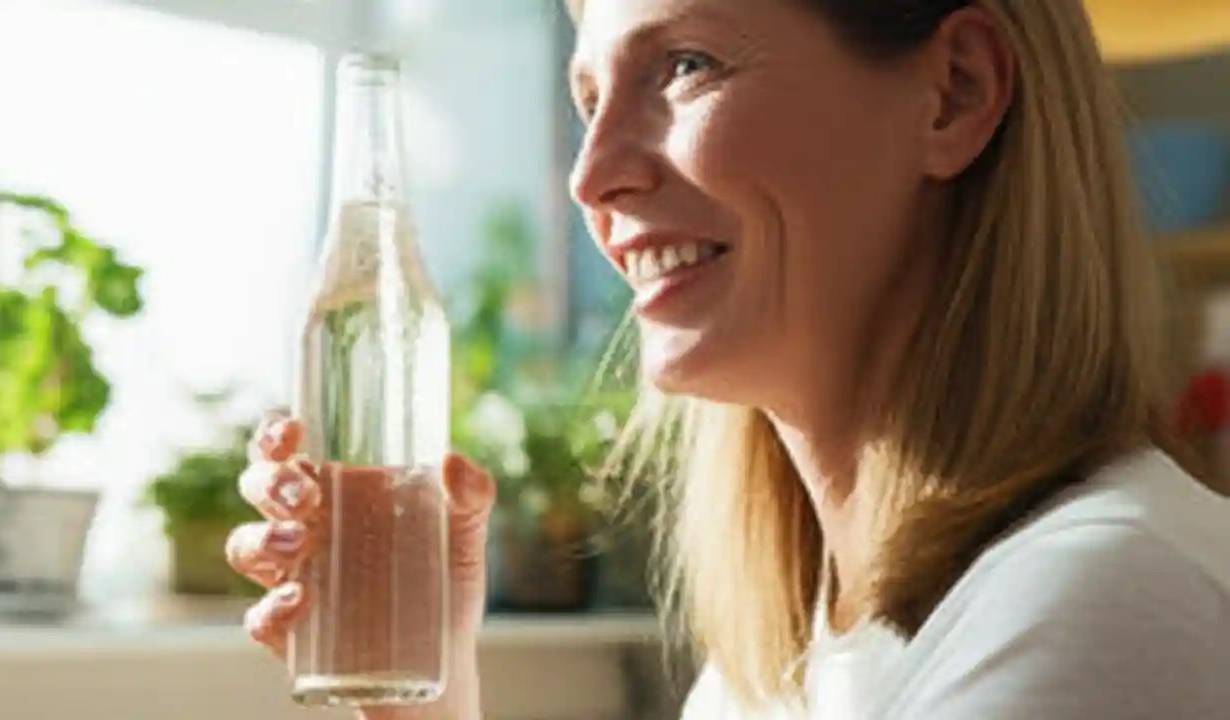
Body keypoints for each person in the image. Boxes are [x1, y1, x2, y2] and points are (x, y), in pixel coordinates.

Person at [226, 0, 1230, 718]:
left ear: (953, 94)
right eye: (589, 99)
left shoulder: (1106, 602)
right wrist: (427, 700)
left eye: (683, 66)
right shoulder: (781, 669)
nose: (592, 176)